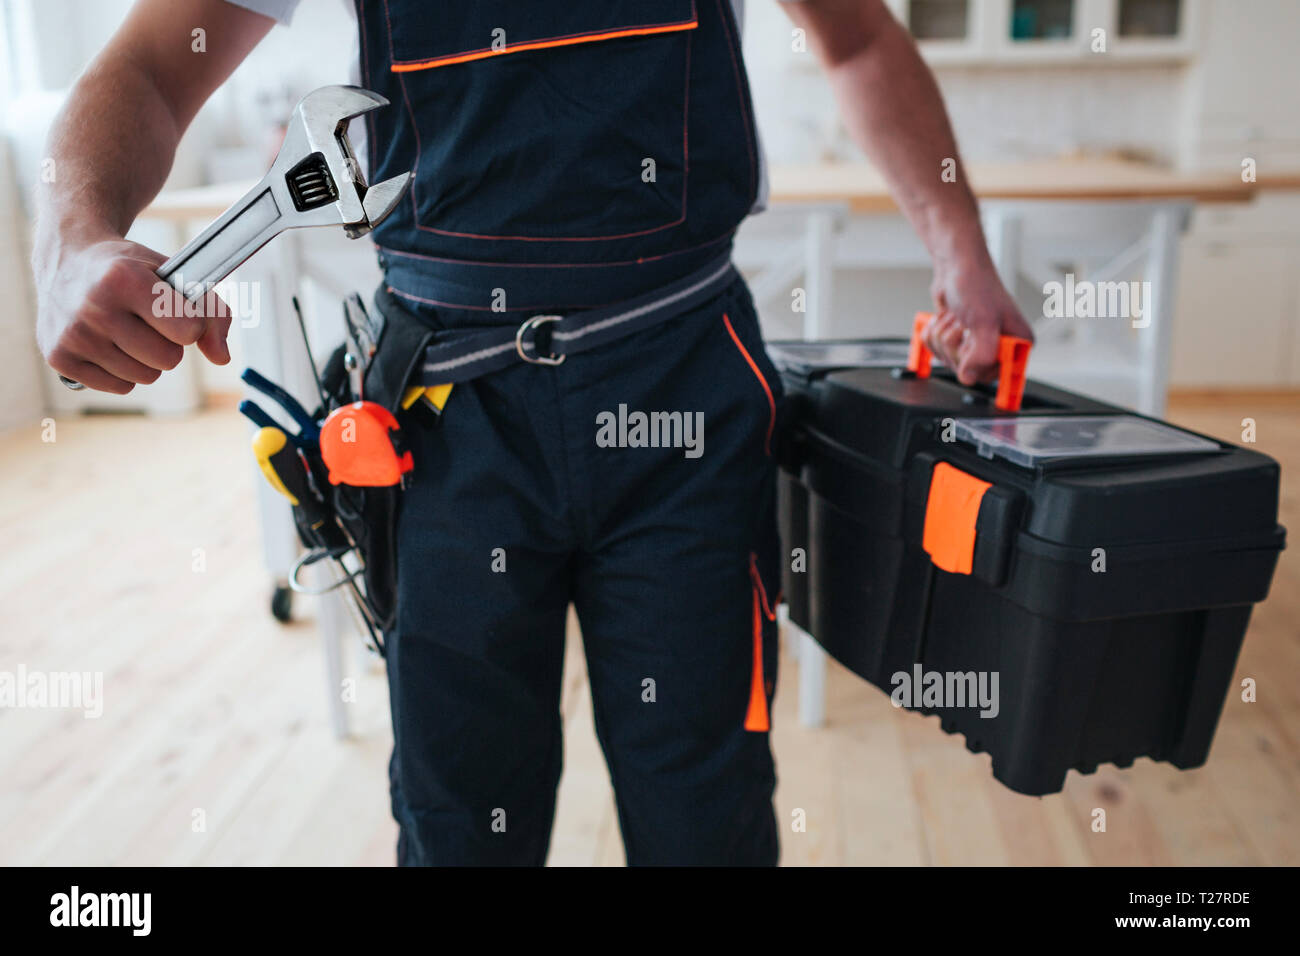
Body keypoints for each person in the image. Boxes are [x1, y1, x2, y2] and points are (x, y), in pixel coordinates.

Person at [32, 0, 1033, 866]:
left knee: (705, 807)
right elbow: (153, 67)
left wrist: (962, 251)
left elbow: (854, 40)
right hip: (446, 425)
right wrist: (74, 237)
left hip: (682, 390)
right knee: (460, 814)